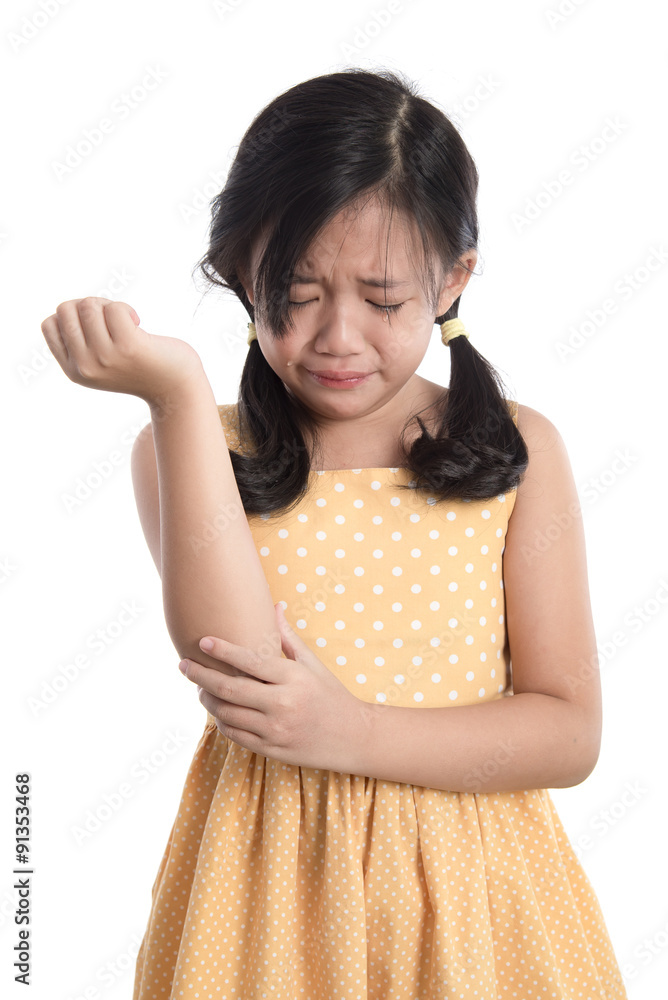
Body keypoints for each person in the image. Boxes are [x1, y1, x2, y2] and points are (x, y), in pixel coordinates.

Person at [41, 68, 628, 999]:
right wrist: (178, 393)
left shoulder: (519, 451)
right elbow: (230, 657)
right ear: (241, 276)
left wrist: (351, 731)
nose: (338, 337)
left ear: (453, 279)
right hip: (266, 899)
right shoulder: (192, 447)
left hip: (477, 901)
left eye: (384, 298)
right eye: (298, 291)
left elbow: (569, 732)